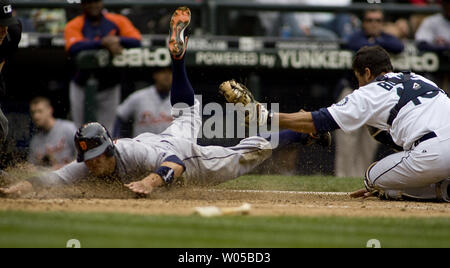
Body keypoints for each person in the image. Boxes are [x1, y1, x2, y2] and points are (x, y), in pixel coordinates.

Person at [0, 7, 330, 198]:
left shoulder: (131, 154)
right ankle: (178, 61)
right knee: (185, 113)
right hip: (167, 138)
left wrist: (149, 182)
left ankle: (303, 130)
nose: (92, 164)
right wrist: (18, 189)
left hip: (182, 154)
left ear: (109, 151)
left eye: (97, 157)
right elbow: (53, 179)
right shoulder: (88, 162)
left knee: (246, 155)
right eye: (88, 158)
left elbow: (175, 164)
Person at [221, 45, 450, 202]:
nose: (360, 84)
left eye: (359, 78)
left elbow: (319, 120)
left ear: (367, 72)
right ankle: (442, 184)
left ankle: (438, 190)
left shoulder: (370, 91)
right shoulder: (419, 78)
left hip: (431, 153)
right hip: (436, 144)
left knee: (372, 178)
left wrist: (265, 116)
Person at [64, 0, 142, 133]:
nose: (93, 5)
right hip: (81, 85)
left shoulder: (117, 20)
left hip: (109, 85)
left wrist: (118, 40)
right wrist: (103, 43)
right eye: (89, 2)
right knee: (81, 131)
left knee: (106, 133)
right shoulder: (75, 24)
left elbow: (136, 41)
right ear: (83, 5)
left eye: (97, 1)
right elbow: (73, 47)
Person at [113, 67, 173, 138]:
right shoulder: (138, 97)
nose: (167, 76)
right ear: (155, 75)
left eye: (170, 72)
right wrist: (116, 139)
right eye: (163, 72)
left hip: (169, 146)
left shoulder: (180, 98)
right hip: (142, 146)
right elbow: (120, 116)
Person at [28, 97, 78, 170]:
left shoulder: (68, 128)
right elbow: (31, 169)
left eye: (40, 111)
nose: (36, 116)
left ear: (50, 110)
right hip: (48, 179)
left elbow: (82, 158)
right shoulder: (35, 141)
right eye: (33, 112)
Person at [0, 0, 21, 141]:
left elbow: (1, 59)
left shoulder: (13, 32)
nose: (4, 30)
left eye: (6, 24)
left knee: (1, 126)